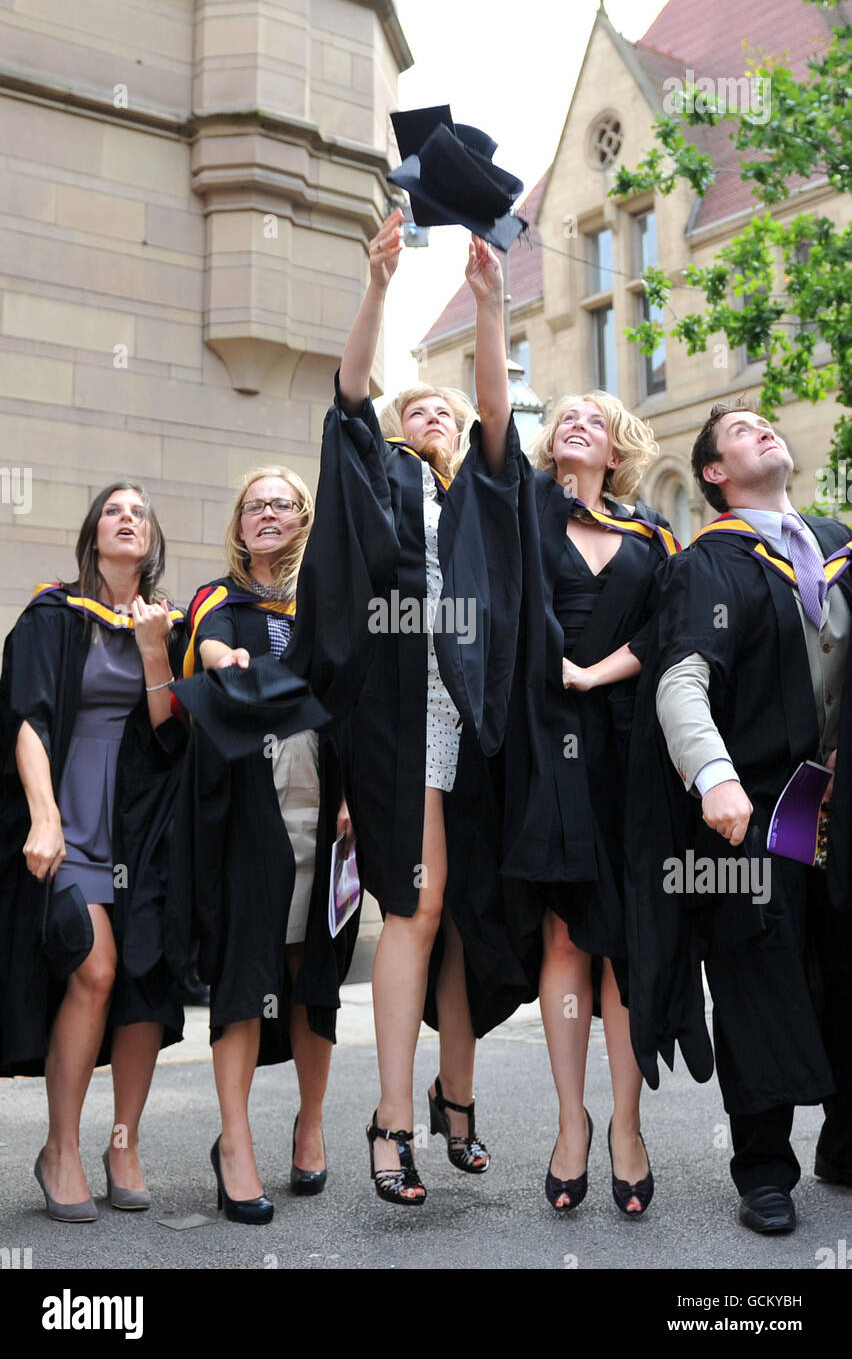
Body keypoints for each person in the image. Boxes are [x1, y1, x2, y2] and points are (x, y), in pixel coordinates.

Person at [284, 208, 526, 1206]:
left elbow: (498, 420)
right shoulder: (375, 475)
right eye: (413, 405)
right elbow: (346, 398)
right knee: (414, 908)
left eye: (444, 408)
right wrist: (379, 285)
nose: (430, 413)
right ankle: (390, 1119)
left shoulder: (483, 490)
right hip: (404, 714)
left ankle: (453, 1096)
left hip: (485, 722)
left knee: (470, 914)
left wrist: (488, 303)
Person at [628, 399, 852, 1234]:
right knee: (760, 975)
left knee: (845, 967)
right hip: (751, 813)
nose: (765, 428)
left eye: (769, 422)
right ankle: (763, 1166)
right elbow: (680, 679)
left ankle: (844, 1139)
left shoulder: (836, 546)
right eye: (741, 430)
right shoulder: (710, 563)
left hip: (840, 804)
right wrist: (715, 778)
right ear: (714, 474)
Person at [499, 385, 676, 1215]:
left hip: (632, 746)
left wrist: (593, 673)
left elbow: (669, 632)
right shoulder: (524, 513)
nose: (577, 421)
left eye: (595, 419)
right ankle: (573, 1123)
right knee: (567, 930)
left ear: (617, 451)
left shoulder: (651, 535)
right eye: (564, 414)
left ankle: (627, 1128)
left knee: (628, 939)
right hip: (545, 746)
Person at [167, 466, 358, 1223]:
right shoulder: (220, 600)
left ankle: (309, 1126)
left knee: (313, 964)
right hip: (250, 795)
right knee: (248, 962)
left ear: (305, 517)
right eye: (256, 505)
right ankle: (236, 1143)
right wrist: (225, 661)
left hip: (324, 792)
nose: (269, 514)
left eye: (283, 503)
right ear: (240, 525)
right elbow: (210, 647)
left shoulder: (326, 604)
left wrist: (354, 800)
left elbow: (352, 702)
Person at [0, 483, 186, 1221]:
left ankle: (123, 1142)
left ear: (153, 537)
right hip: (70, 824)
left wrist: (153, 650)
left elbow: (169, 734)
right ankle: (61, 1147)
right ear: (93, 533)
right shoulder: (54, 614)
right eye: (114, 510)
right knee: (97, 969)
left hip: (141, 827)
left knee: (143, 978)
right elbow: (27, 717)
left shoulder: (161, 623)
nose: (128, 518)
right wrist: (44, 817)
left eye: (140, 511)